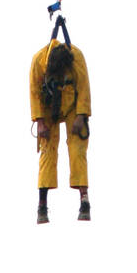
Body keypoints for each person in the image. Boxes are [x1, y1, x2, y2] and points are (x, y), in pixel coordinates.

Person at [29, 36, 91, 224]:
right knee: (47, 151)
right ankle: (42, 204)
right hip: (48, 107)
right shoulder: (38, 62)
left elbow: (84, 87)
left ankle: (84, 200)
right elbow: (34, 93)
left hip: (72, 105)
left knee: (77, 149)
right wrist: (39, 121)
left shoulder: (76, 57)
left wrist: (81, 115)